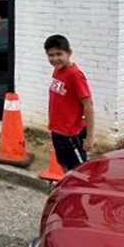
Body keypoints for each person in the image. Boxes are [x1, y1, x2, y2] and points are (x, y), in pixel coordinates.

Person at [44, 34, 95, 172]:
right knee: (63, 164)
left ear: (69, 53)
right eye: (51, 55)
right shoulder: (57, 71)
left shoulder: (74, 75)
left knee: (79, 171)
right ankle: (67, 185)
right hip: (57, 130)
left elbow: (88, 105)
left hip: (71, 133)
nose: (55, 58)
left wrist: (90, 136)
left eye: (59, 54)